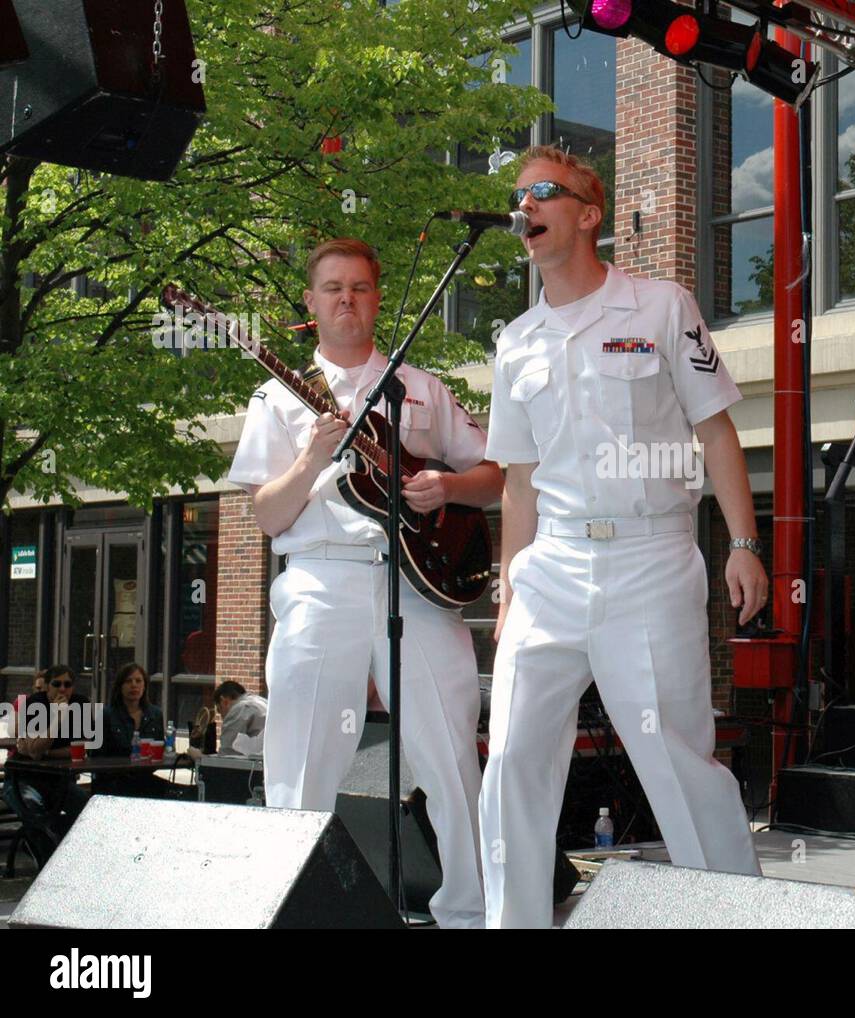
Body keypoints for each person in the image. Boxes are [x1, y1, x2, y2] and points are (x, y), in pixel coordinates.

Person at [481, 145, 768, 929]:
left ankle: (737, 918)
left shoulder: (660, 306)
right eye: (518, 196)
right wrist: (508, 592)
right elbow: (516, 481)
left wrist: (744, 543)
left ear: (588, 213)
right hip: (551, 565)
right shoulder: (516, 342)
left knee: (674, 758)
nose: (525, 207)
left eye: (543, 192)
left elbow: (715, 433)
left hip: (650, 555)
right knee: (509, 757)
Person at [226, 237, 503, 928]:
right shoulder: (274, 396)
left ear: (377, 297)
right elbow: (267, 513)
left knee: (450, 758)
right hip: (323, 581)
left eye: (359, 287)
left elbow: (494, 474)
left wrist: (446, 486)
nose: (347, 299)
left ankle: (470, 912)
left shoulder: (422, 387)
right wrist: (312, 456)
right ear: (311, 305)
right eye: (332, 288)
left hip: (419, 583)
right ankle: (295, 911)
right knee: (302, 761)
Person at [6, 664, 92, 835]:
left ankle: (58, 844)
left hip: (58, 780)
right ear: (47, 687)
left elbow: (81, 749)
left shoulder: (80, 704)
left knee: (88, 811)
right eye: (56, 684)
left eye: (67, 685)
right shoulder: (35, 704)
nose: (62, 689)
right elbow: (35, 751)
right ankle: (41, 853)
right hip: (23, 778)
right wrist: (57, 718)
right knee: (34, 812)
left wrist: (46, 752)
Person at [95, 662, 173, 798]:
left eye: (138, 681)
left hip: (144, 777)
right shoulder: (107, 714)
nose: (134, 685)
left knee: (179, 793)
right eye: (128, 681)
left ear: (144, 686)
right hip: (115, 780)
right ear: (120, 686)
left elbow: (159, 749)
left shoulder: (155, 714)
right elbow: (97, 756)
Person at [214, 681, 268, 755]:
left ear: (224, 701)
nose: (222, 718)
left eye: (219, 710)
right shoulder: (261, 701)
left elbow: (227, 754)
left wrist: (199, 756)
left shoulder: (239, 709)